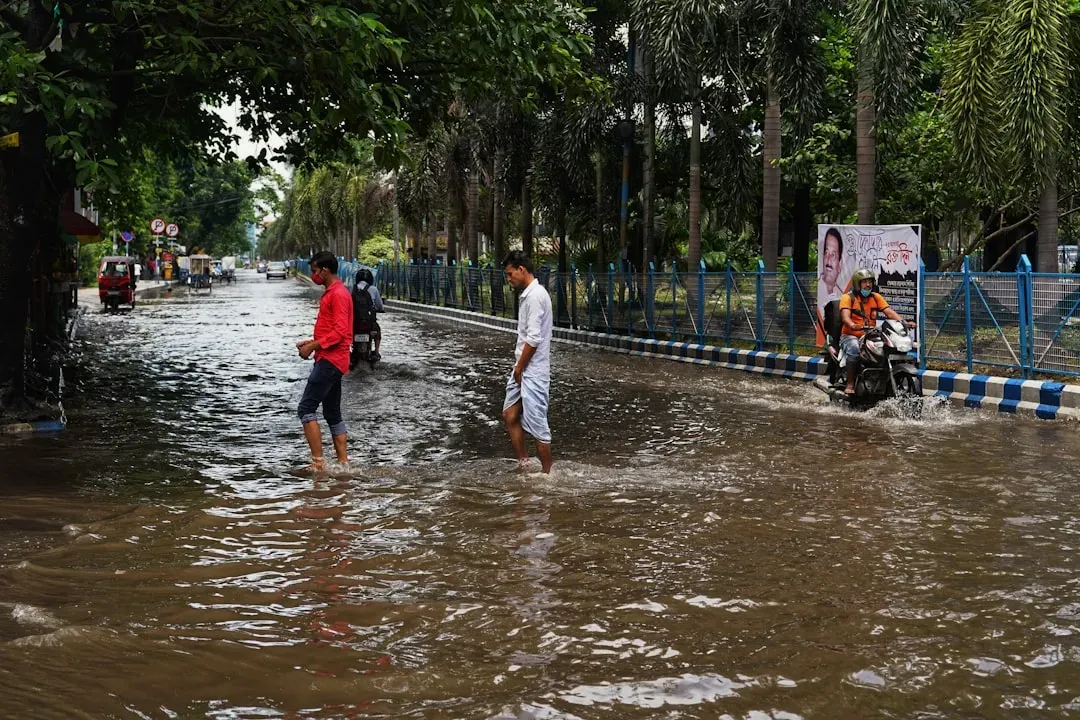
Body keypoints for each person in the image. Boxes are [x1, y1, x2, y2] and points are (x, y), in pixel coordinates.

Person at [296, 251, 354, 471]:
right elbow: (334, 331)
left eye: (314, 271)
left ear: (325, 270)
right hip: (333, 359)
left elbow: (340, 332)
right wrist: (312, 342)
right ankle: (343, 464)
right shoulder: (333, 292)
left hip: (330, 361)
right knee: (332, 413)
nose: (313, 275)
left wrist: (312, 346)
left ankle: (318, 464)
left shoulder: (338, 294)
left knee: (306, 409)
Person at [501, 251, 553, 474]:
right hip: (522, 367)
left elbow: (533, 338)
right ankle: (524, 462)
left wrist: (520, 367)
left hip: (532, 370)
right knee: (510, 414)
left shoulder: (535, 296)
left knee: (539, 426)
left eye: (510, 274)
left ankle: (547, 474)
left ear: (521, 270)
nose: (509, 279)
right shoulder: (529, 295)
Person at [839, 268, 915, 395]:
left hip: (870, 335)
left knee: (884, 349)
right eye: (864, 282)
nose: (868, 285)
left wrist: (904, 323)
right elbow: (845, 316)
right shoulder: (848, 298)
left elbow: (889, 312)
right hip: (850, 335)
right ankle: (851, 384)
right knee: (854, 350)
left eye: (870, 282)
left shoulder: (876, 297)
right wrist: (852, 325)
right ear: (858, 283)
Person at [355, 267, 384, 360]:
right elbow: (380, 306)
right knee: (377, 333)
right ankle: (376, 352)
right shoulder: (374, 289)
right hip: (369, 323)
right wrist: (381, 309)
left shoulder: (351, 288)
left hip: (354, 323)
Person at [820, 227, 845, 304]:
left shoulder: (842, 296)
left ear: (839, 265)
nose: (828, 259)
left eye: (833, 255)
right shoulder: (819, 289)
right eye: (826, 253)